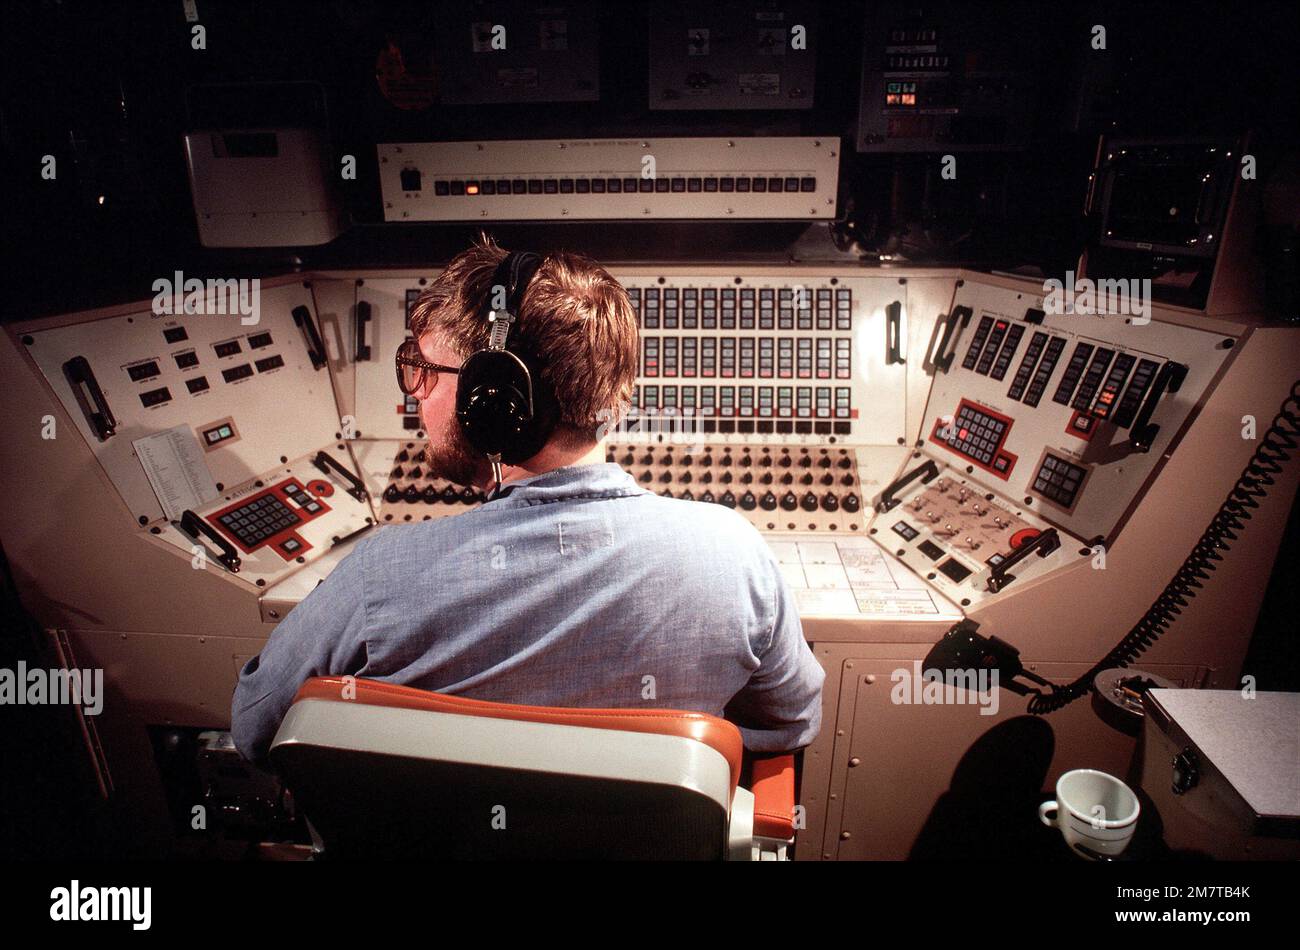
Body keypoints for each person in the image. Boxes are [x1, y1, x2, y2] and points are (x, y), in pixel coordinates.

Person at [231, 235, 824, 767]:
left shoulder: (377, 581)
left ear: (492, 398)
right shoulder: (735, 556)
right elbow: (792, 721)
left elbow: (256, 728)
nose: (416, 398)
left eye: (422, 370)